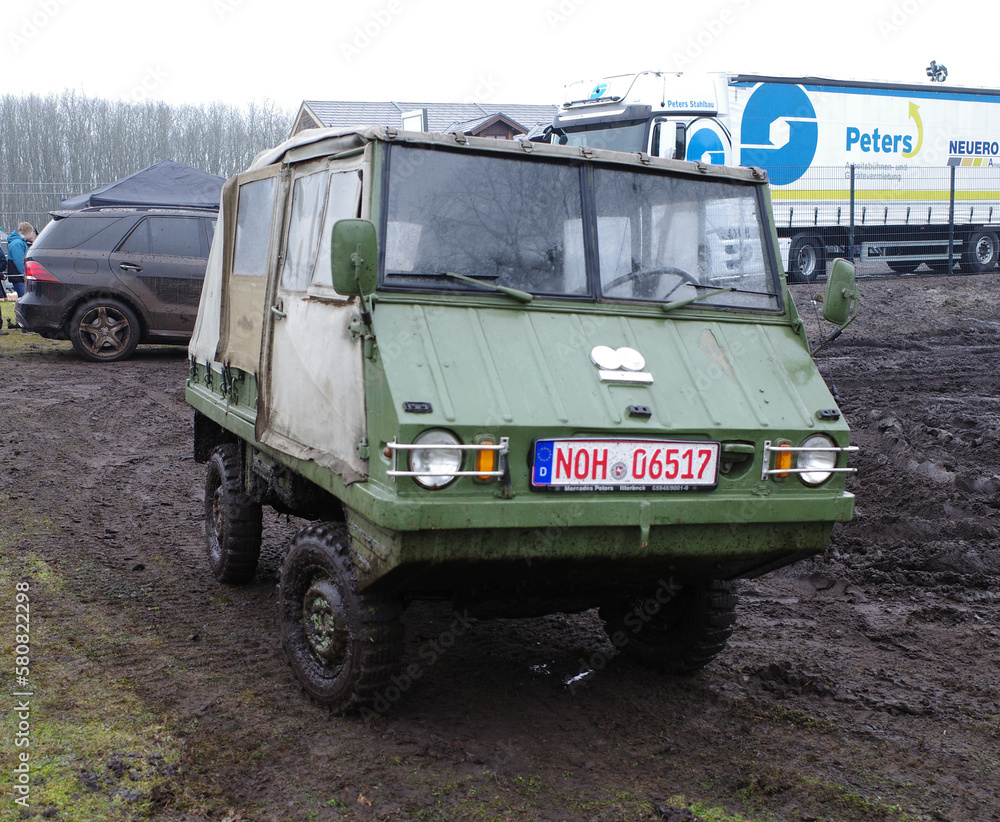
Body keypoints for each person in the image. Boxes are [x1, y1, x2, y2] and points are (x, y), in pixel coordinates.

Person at [6, 222, 37, 300]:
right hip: (20, 278)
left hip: (20, 277)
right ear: (30, 232)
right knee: (25, 298)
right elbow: (20, 262)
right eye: (33, 232)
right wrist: (27, 276)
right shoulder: (17, 244)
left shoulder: (19, 243)